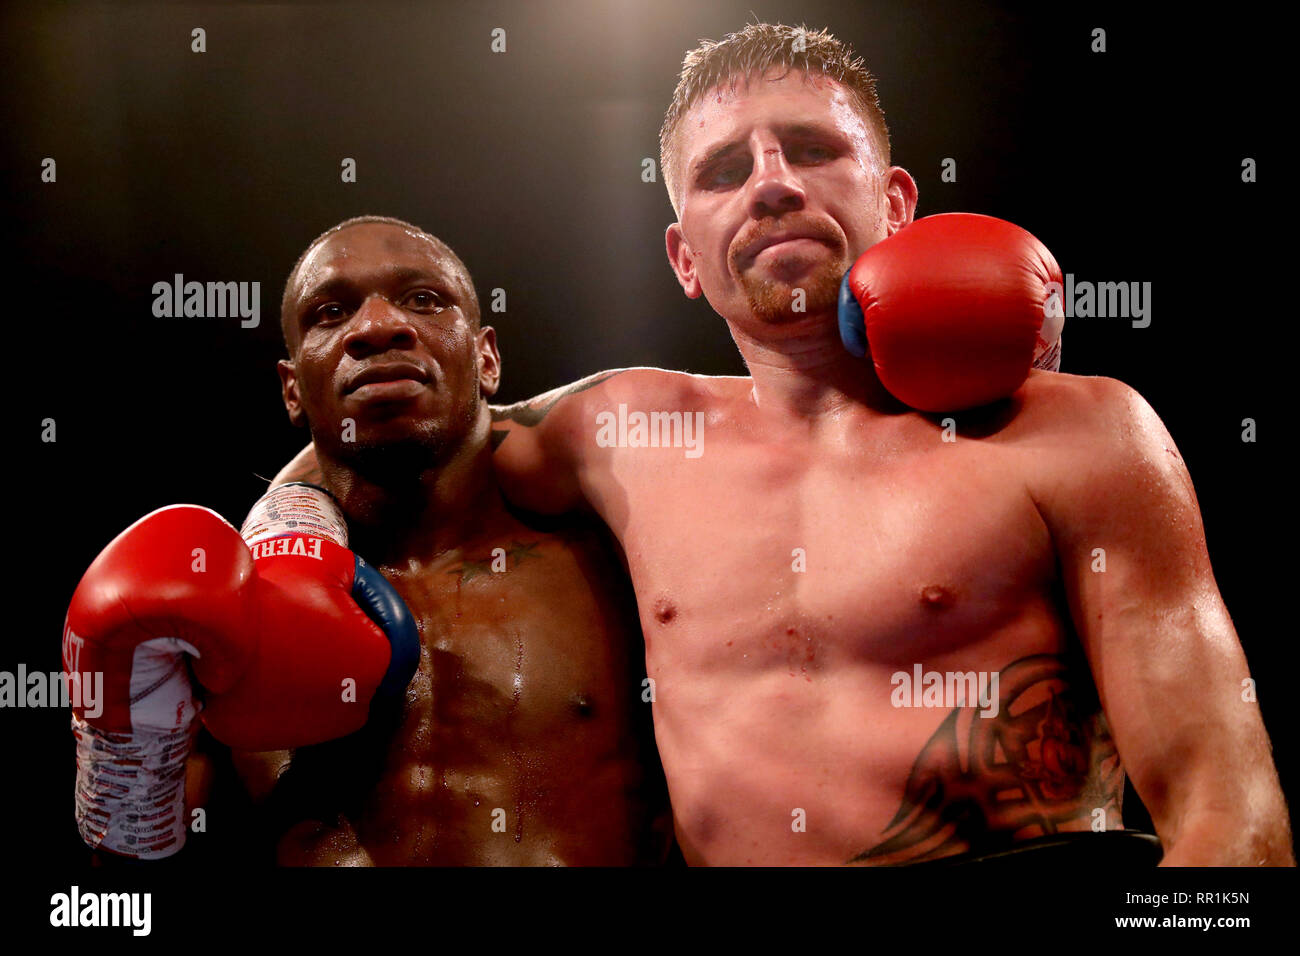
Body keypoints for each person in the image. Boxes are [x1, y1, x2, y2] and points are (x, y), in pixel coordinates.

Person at [273, 25, 1293, 866]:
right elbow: (388, 421)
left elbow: (1223, 808)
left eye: (808, 149)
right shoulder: (625, 433)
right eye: (723, 170)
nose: (769, 185)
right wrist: (282, 532)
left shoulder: (1076, 428)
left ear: (896, 201)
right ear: (684, 255)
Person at [69, 216, 669, 866]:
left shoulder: (617, 556)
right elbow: (128, 872)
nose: (378, 326)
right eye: (330, 312)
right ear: (292, 388)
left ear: (487, 357)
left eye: (424, 299)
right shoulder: (224, 612)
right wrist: (120, 736)